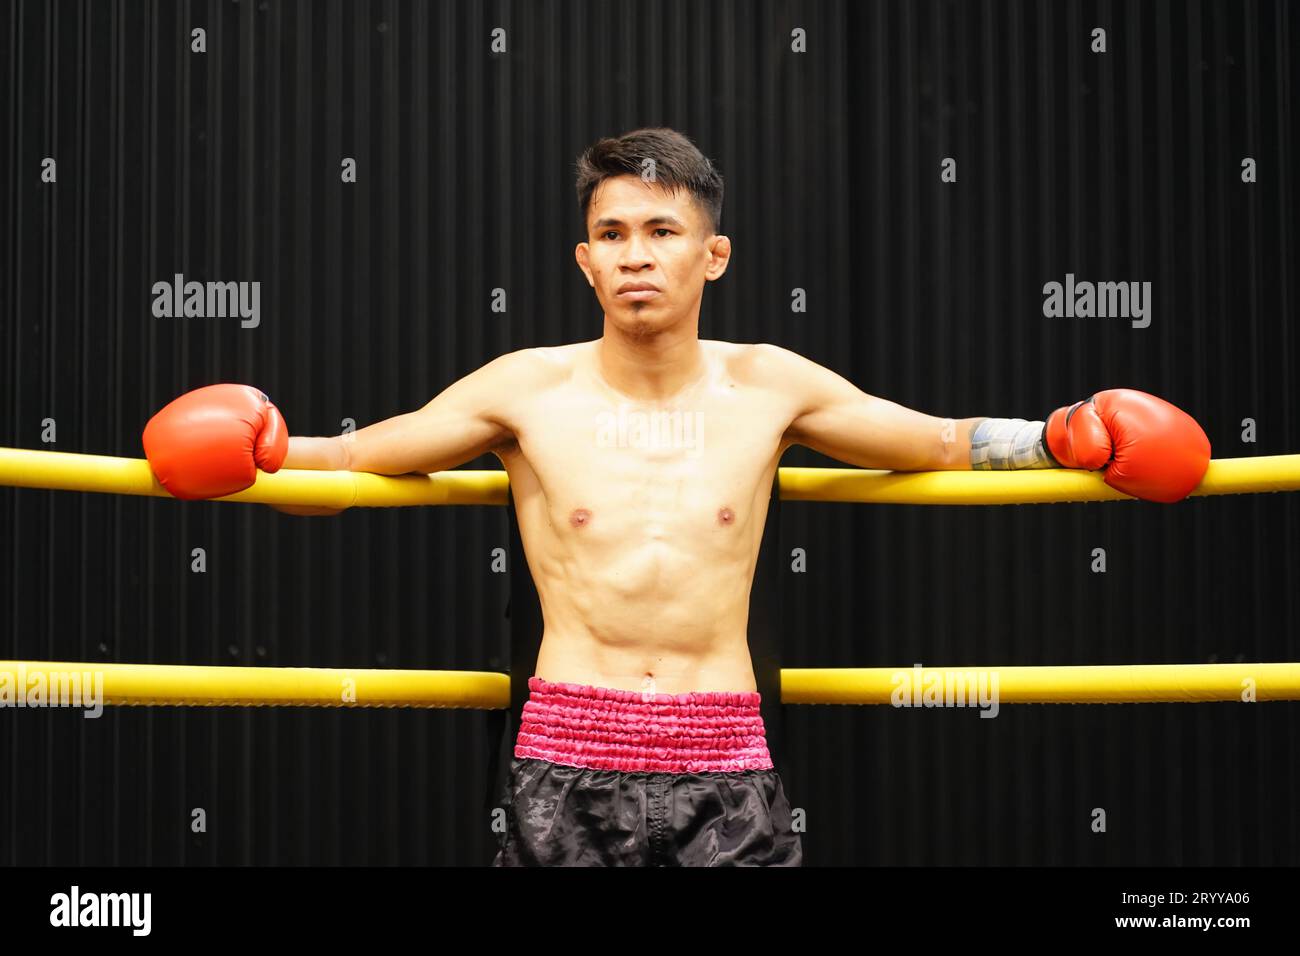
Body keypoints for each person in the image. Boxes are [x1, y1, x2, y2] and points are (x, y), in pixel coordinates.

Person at [141, 127, 1212, 866]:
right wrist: (253, 457)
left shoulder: (770, 382)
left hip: (728, 762)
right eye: (612, 235)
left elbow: (931, 436)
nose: (635, 255)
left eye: (660, 231)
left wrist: (1065, 437)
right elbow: (357, 462)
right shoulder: (525, 386)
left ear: (713, 252)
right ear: (583, 260)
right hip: (564, 757)